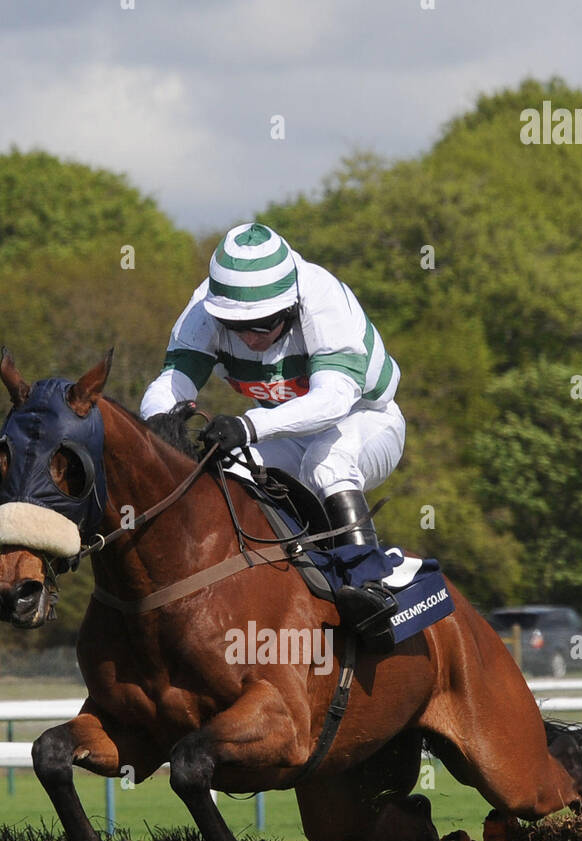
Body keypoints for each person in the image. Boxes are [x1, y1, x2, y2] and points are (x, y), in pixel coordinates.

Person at [140, 222, 405, 645]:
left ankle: (369, 585)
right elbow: (172, 382)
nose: (249, 336)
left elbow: (334, 400)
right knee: (228, 472)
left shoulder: (323, 299)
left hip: (365, 419)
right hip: (285, 428)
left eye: (263, 324)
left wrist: (247, 425)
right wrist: (158, 427)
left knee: (326, 463)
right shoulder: (202, 308)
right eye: (235, 324)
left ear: (290, 306)